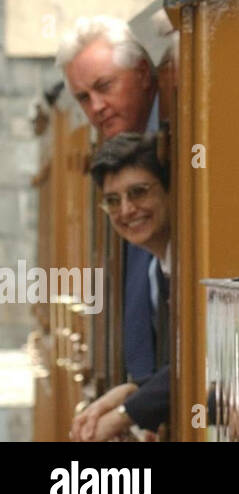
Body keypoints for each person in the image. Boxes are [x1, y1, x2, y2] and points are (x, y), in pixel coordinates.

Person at [57, 17, 161, 393]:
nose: (96, 107)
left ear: (143, 73)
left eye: (104, 87)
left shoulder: (171, 135)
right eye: (84, 97)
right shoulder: (122, 144)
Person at [69, 134, 171, 441]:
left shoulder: (195, 263)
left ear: (169, 190)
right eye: (113, 200)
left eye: (138, 192)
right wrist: (130, 391)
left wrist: (127, 413)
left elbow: (205, 364)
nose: (126, 210)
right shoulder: (161, 269)